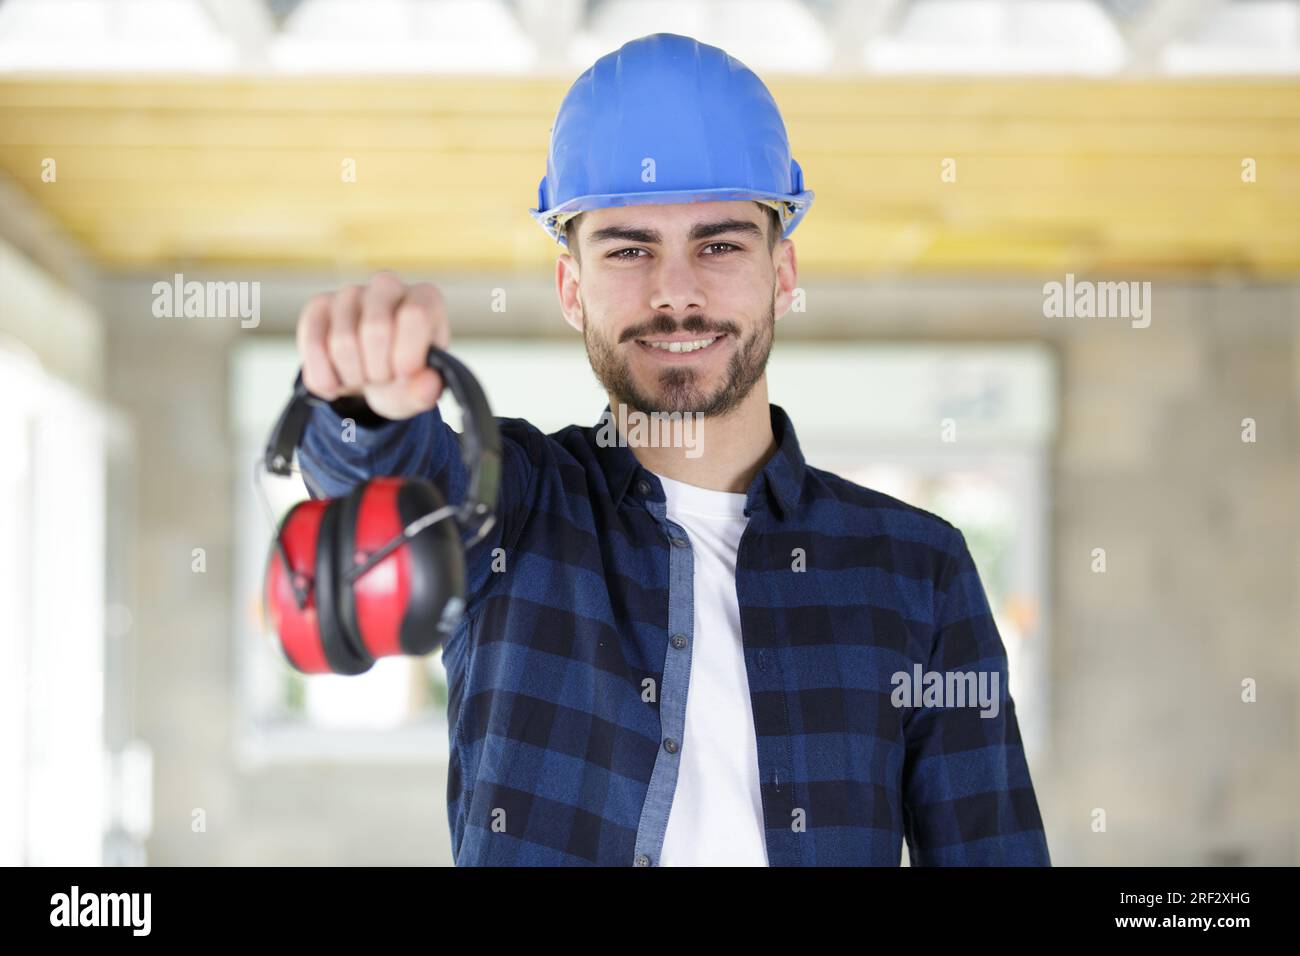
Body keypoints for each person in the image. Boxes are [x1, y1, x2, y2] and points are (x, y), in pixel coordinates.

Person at [290, 33, 1050, 866]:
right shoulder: (515, 508)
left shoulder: (918, 571)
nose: (676, 293)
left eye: (719, 245)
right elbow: (384, 478)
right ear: (572, 288)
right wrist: (363, 399)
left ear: (783, 273)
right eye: (629, 248)